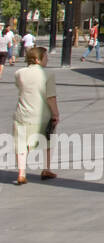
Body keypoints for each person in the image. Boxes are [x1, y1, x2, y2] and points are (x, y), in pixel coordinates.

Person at [12, 45, 59, 184]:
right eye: (45, 57)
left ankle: (21, 173)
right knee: (48, 142)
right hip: (42, 115)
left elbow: (20, 88)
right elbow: (51, 98)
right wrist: (55, 114)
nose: (47, 60)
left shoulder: (19, 73)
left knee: (21, 143)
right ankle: (46, 169)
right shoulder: (48, 74)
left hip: (23, 113)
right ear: (38, 59)